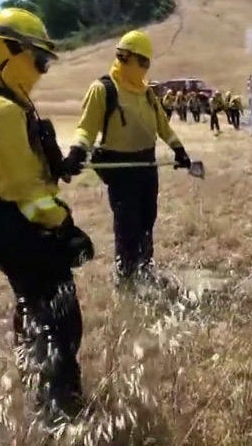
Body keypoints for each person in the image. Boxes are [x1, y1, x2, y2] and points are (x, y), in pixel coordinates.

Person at [0, 8, 93, 419]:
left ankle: (44, 397)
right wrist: (65, 227)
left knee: (34, 311)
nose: (42, 71)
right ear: (9, 51)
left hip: (7, 224)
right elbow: (24, 191)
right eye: (40, 60)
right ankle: (60, 411)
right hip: (21, 227)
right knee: (58, 321)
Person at [61, 30, 191, 285]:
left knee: (147, 219)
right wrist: (77, 152)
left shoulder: (146, 93)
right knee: (127, 224)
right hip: (121, 169)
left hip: (147, 165)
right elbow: (86, 128)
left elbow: (163, 126)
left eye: (147, 63)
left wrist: (179, 150)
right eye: (141, 61)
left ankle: (145, 268)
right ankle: (127, 276)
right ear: (125, 57)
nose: (144, 67)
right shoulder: (103, 89)